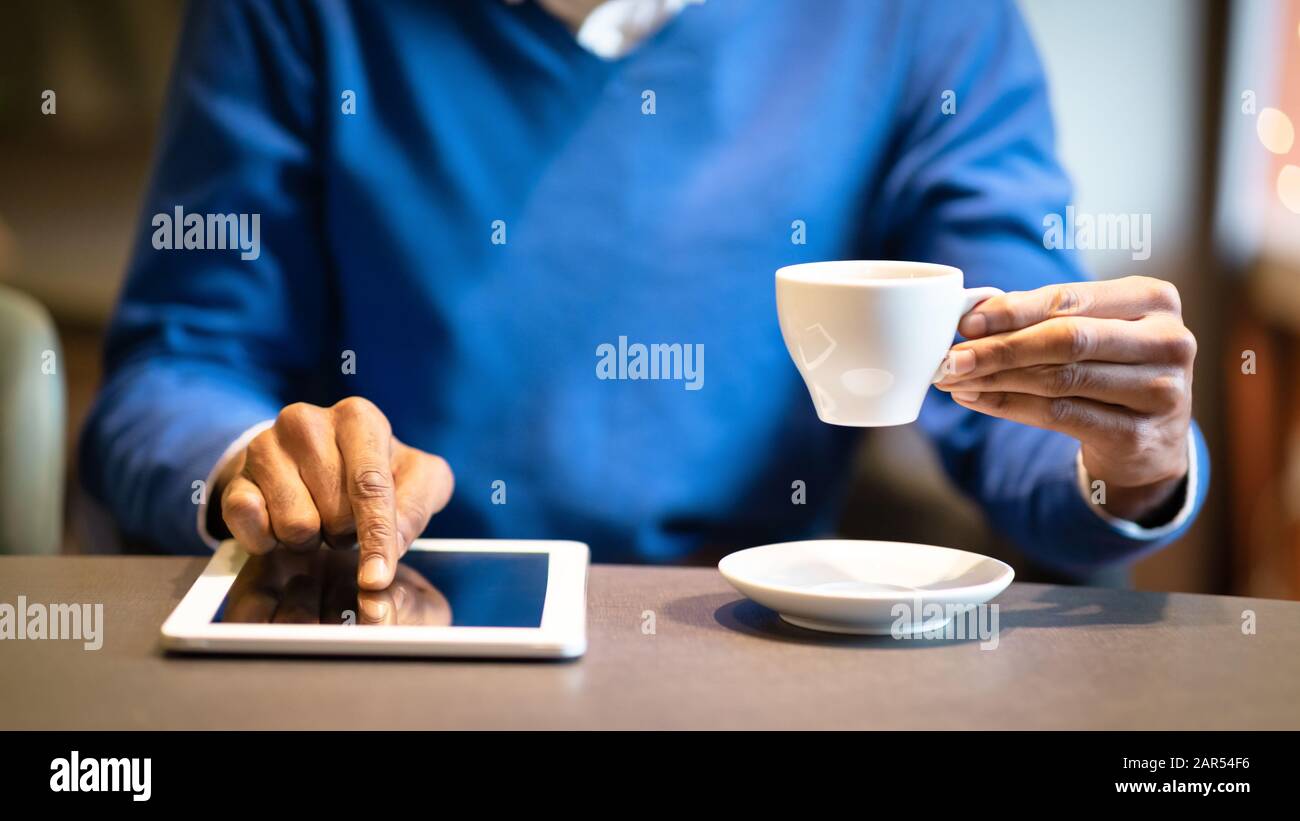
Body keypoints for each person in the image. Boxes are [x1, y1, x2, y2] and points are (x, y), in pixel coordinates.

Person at [80, 0, 1208, 591]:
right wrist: (254, 461)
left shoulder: (930, 22)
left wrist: (1129, 461)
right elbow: (173, 368)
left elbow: (1009, 378)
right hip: (386, 616)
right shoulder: (291, 12)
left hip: (753, 637)